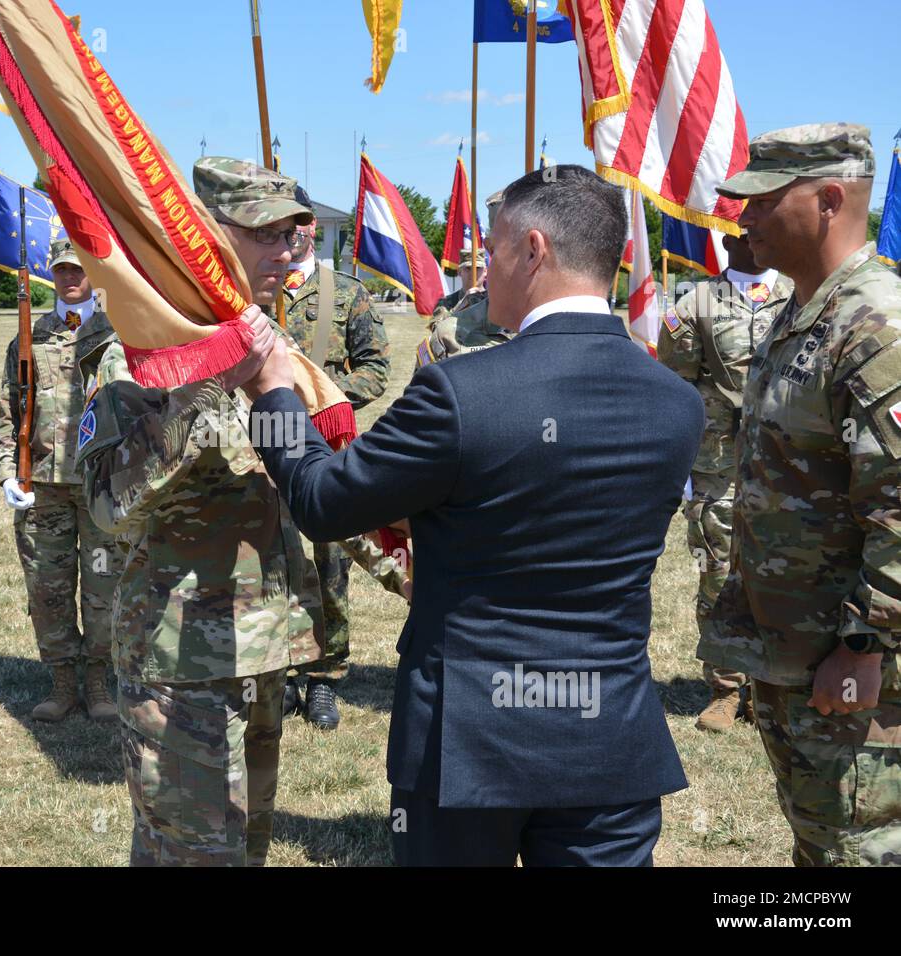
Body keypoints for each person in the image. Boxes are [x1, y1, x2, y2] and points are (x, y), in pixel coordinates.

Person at [244, 165, 703, 866]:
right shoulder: (677, 402)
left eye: (492, 251)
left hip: (468, 745)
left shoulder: (461, 394)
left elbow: (322, 501)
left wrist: (275, 395)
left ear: (534, 251)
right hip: (609, 741)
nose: (483, 272)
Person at [75, 158, 326, 866]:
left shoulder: (273, 350)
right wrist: (206, 386)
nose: (287, 253)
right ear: (209, 242)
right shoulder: (138, 354)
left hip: (261, 644)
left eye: (295, 236)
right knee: (189, 852)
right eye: (267, 235)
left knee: (244, 845)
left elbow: (297, 476)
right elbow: (105, 505)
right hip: (176, 657)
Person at [703, 123, 901, 866]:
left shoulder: (877, 325)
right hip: (795, 653)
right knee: (822, 846)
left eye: (762, 201)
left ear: (826, 200)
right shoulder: (804, 312)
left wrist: (863, 645)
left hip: (856, 670)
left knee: (863, 849)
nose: (742, 217)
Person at [658, 232, 793, 732]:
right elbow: (675, 391)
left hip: (791, 468)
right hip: (717, 469)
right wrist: (682, 471)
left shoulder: (802, 298)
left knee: (784, 575)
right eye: (740, 229)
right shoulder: (696, 305)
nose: (752, 236)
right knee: (718, 575)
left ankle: (771, 687)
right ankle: (725, 689)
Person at [0, 239, 122, 722]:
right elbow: (10, 412)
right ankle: (62, 681)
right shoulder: (31, 336)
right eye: (62, 270)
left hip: (100, 485)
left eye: (79, 269)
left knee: (103, 588)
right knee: (47, 589)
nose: (70, 278)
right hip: (43, 486)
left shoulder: (117, 332)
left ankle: (98, 681)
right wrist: (9, 472)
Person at [281, 193, 391, 729]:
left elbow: (376, 369)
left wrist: (322, 396)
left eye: (304, 223)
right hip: (261, 443)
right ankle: (277, 672)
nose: (296, 232)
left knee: (332, 561)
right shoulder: (248, 293)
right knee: (270, 558)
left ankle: (325, 676)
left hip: (326, 445)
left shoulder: (345, 294)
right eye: (285, 224)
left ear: (314, 230)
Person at [416, 190, 512, 367]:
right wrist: (464, 307)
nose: (473, 273)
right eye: (468, 269)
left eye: (478, 268)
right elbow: (437, 333)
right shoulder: (448, 309)